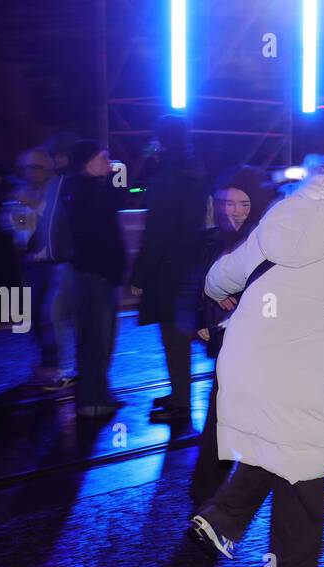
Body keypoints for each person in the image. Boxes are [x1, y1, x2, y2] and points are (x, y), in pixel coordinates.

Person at [186, 163, 324, 567]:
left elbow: (218, 279)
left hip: (241, 362)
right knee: (306, 474)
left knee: (281, 455)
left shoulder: (276, 224)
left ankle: (230, 523)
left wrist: (219, 295)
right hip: (294, 379)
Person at [188, 165, 274, 504]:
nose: (233, 211)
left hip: (255, 343)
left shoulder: (265, 241)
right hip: (227, 341)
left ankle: (213, 488)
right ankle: (211, 486)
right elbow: (199, 286)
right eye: (227, 203)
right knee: (224, 410)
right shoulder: (213, 239)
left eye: (242, 204)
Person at [130, 115, 209, 424]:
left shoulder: (168, 175)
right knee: (179, 336)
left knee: (172, 337)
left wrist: (140, 274)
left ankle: (180, 402)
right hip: (189, 262)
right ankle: (180, 394)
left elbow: (157, 230)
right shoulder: (195, 170)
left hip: (166, 269)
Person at [61, 140, 126, 418]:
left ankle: (97, 394)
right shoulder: (89, 193)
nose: (108, 163)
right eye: (103, 158)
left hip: (92, 273)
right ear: (87, 162)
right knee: (97, 339)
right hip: (97, 274)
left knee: (95, 338)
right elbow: (102, 233)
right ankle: (93, 400)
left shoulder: (80, 189)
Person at [4, 148, 74, 386]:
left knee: (51, 315)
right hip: (32, 262)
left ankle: (59, 365)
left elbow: (63, 218)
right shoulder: (23, 191)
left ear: (49, 167)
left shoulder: (61, 187)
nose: (30, 172)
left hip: (58, 262)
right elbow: (18, 229)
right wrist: (18, 223)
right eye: (25, 168)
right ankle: (47, 362)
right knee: (35, 315)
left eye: (36, 167)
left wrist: (34, 205)